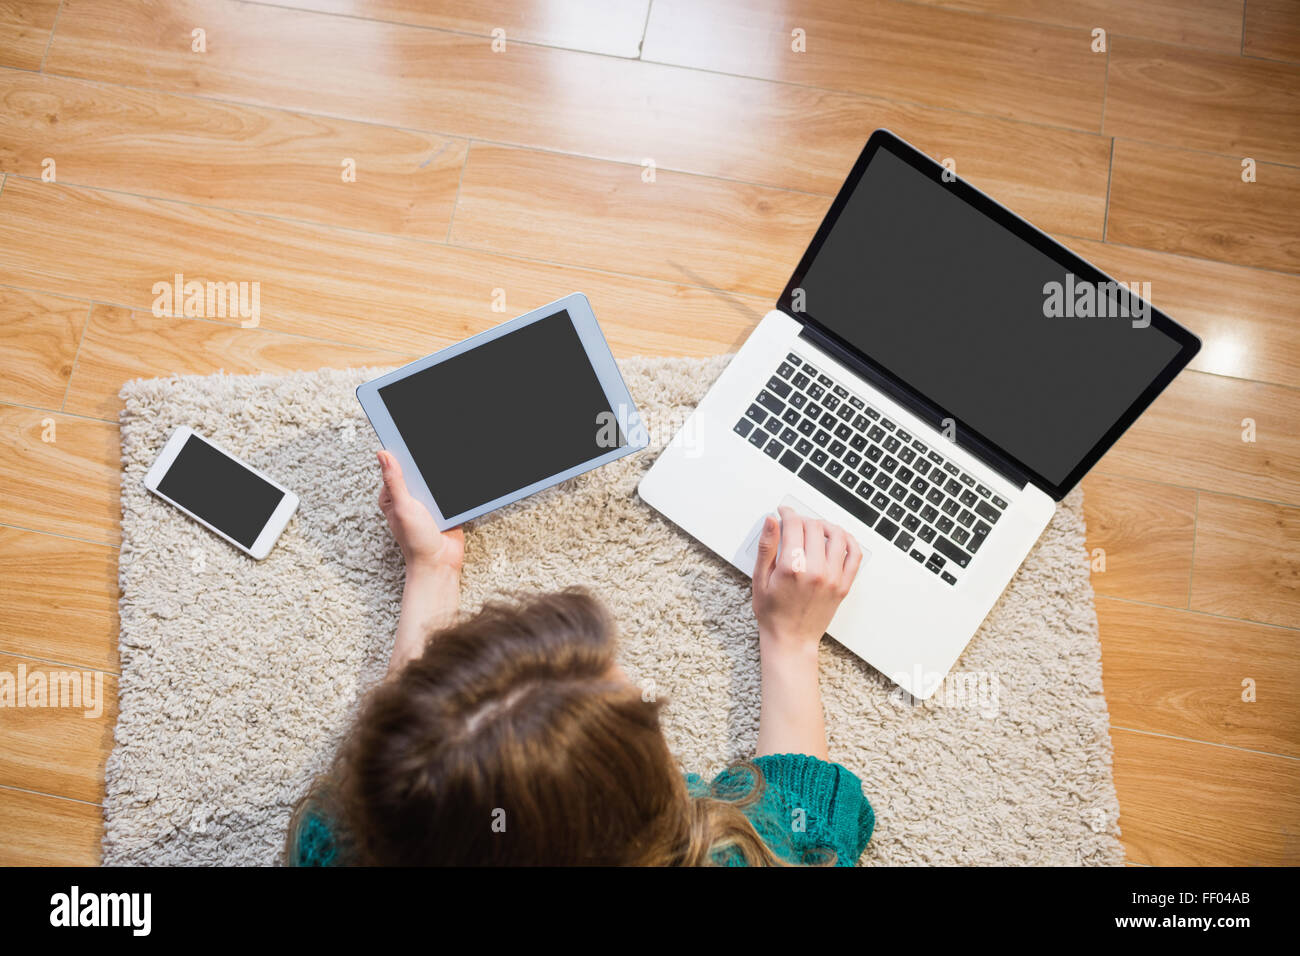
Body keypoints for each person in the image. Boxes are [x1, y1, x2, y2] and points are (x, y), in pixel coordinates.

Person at [286, 450, 873, 866]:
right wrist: (790, 641)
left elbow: (426, 759)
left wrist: (433, 569)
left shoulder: (339, 841)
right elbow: (809, 830)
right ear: (647, 816)